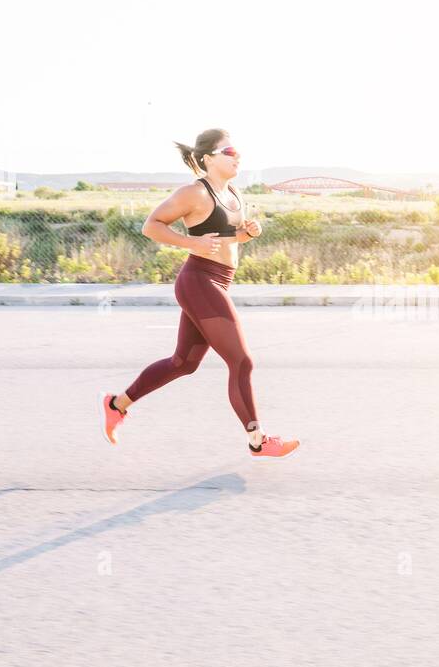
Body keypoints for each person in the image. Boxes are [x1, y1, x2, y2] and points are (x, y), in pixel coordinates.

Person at [102, 128, 299, 459]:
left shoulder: (234, 193)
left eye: (238, 152)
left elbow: (226, 238)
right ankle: (258, 440)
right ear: (208, 158)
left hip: (219, 280)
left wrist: (247, 234)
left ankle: (116, 404)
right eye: (230, 151)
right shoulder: (194, 193)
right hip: (199, 280)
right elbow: (151, 225)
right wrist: (190, 242)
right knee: (241, 361)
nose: (238, 157)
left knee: (184, 363)